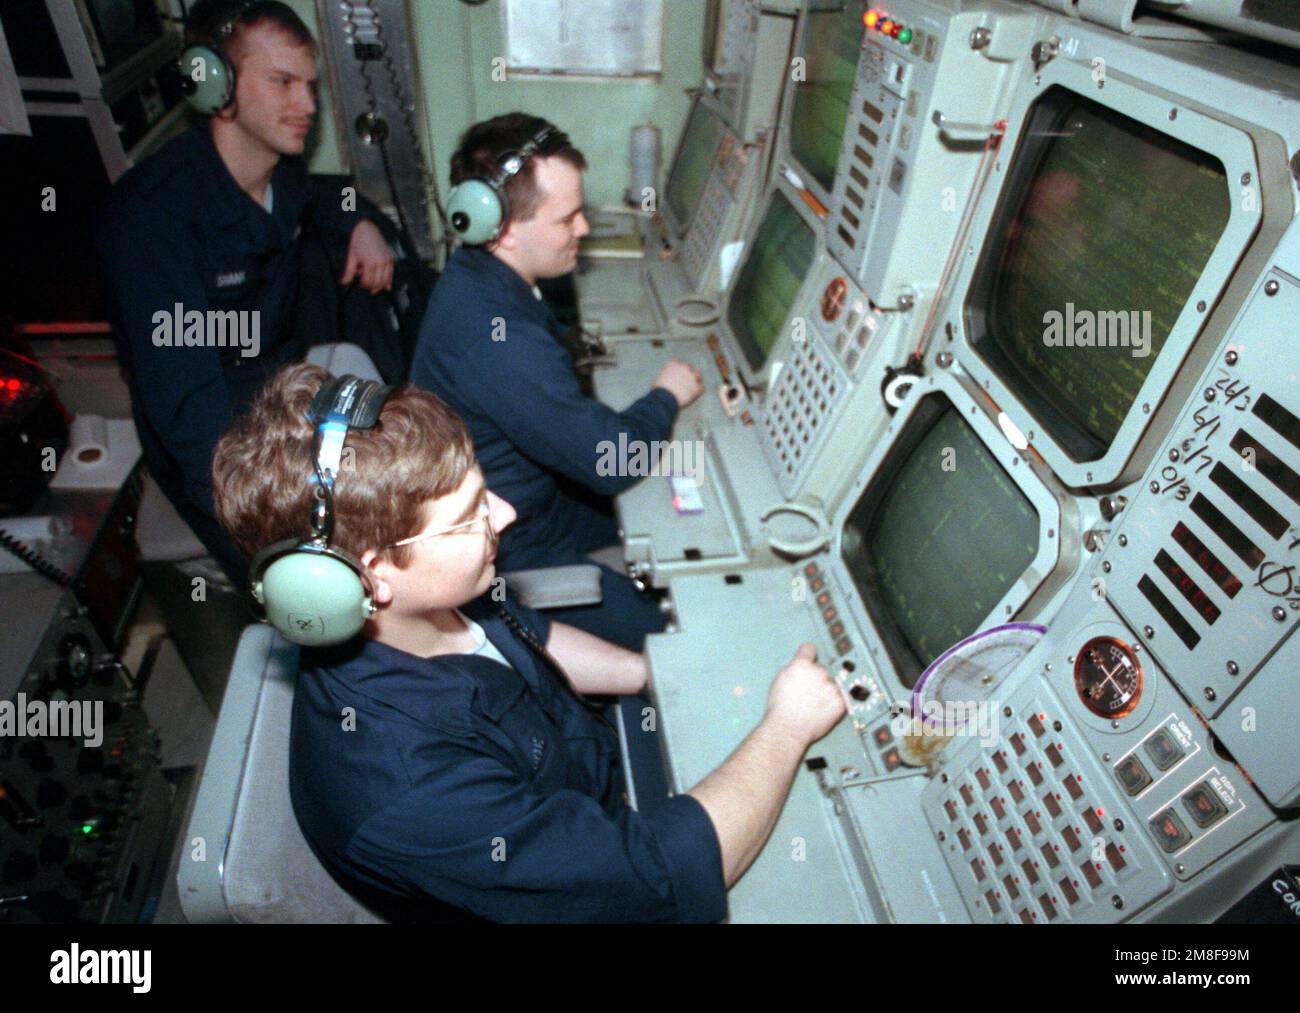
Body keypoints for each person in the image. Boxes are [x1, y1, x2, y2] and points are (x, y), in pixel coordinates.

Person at [210, 362, 847, 922]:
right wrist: (787, 728)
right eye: (469, 517)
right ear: (372, 574)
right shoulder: (407, 788)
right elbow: (654, 874)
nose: (507, 514)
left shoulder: (429, 601)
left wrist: (656, 675)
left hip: (595, 776)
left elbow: (530, 636)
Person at [96, 0, 397, 583]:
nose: (307, 106)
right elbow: (191, 419)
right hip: (218, 445)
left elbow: (322, 195)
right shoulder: (149, 220)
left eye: (309, 86)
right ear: (215, 86)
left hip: (281, 392)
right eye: (283, 82)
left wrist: (361, 221)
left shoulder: (280, 172)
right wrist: (288, 554)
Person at [411, 113, 705, 652]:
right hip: (519, 549)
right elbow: (610, 461)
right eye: (567, 219)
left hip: (536, 501)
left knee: (689, 521)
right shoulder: (499, 341)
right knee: (686, 634)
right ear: (499, 228)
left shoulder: (478, 281)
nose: (584, 230)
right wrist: (666, 396)